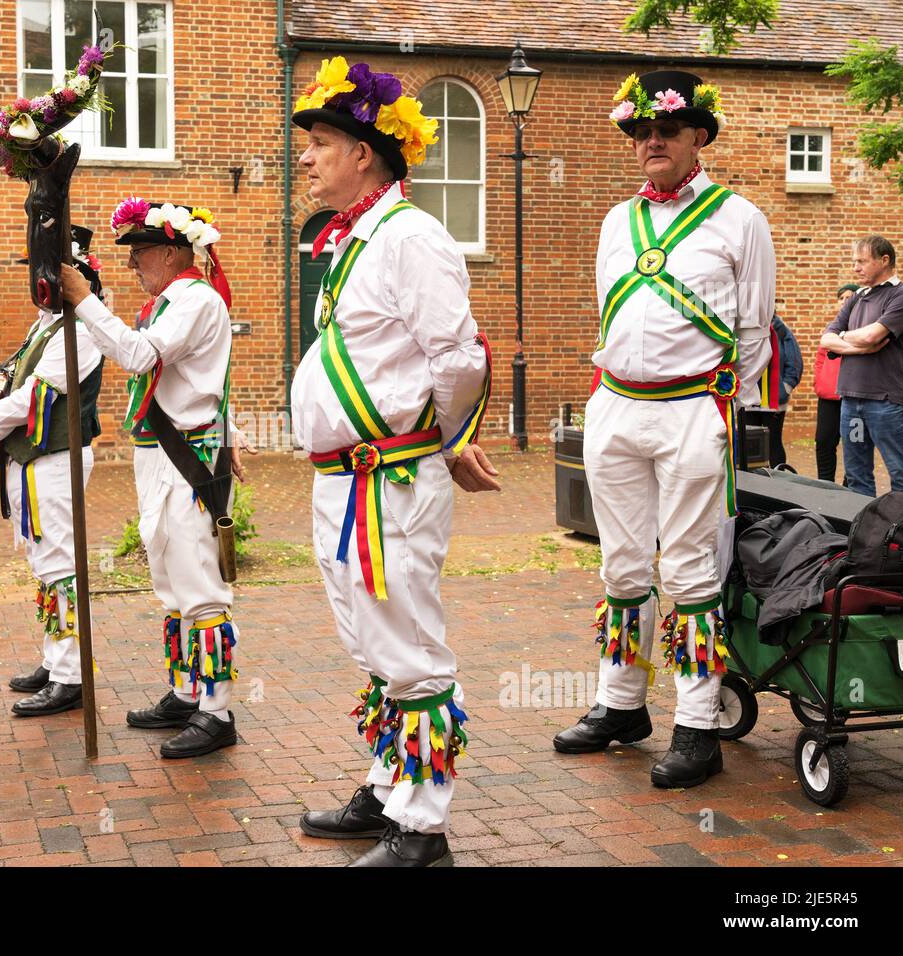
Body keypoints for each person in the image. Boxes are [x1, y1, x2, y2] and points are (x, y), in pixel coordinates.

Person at [287, 57, 498, 867]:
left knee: (409, 648)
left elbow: (458, 357)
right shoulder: (357, 239)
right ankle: (387, 788)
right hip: (344, 479)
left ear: (366, 154)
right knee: (372, 644)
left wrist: (444, 441)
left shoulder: (412, 237)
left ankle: (422, 829)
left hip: (390, 479)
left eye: (322, 142)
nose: (307, 157)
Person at [553, 71, 776, 790]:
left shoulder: (740, 217)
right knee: (620, 566)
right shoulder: (617, 220)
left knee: (688, 571)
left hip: (692, 409)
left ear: (697, 138)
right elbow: (610, 312)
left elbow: (753, 330)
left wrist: (714, 402)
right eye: (640, 131)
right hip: (616, 404)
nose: (650, 140)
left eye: (665, 129)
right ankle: (622, 703)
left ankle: (698, 724)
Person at [59, 199, 249, 759]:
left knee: (200, 586)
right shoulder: (169, 303)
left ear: (171, 252)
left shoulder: (193, 301)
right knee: (170, 579)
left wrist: (87, 302)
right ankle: (186, 691)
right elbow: (201, 375)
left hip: (187, 457)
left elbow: (140, 359)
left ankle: (217, 712)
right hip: (161, 455)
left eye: (140, 254)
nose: (133, 265)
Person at [0, 230, 104, 716]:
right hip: (33, 460)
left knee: (60, 565)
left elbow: (34, 399)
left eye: (39, 268)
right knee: (44, 562)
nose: (32, 277)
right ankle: (56, 659)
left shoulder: (79, 330)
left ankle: (70, 677)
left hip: (55, 459)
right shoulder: (47, 324)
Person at [819, 236, 903, 496]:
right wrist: (858, 345)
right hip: (850, 401)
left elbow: (873, 336)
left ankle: (900, 534)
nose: (855, 268)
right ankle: (863, 533)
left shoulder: (901, 295)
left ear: (884, 260)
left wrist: (845, 338)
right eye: (853, 262)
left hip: (887, 402)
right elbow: (826, 339)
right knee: (857, 475)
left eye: (861, 261)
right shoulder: (857, 297)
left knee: (901, 473)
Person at [740, 314, 802, 467]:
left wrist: (784, 389)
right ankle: (753, 481)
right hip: (748, 398)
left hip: (773, 399)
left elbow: (794, 362)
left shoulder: (781, 330)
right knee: (748, 441)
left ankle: (778, 480)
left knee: (773, 441)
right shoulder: (742, 328)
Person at [813, 284, 859, 482]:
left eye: (849, 297)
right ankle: (825, 484)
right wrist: (819, 382)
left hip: (855, 398)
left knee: (855, 444)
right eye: (841, 298)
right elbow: (820, 360)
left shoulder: (864, 328)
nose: (844, 301)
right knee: (824, 442)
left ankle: (851, 486)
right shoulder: (831, 330)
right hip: (829, 397)